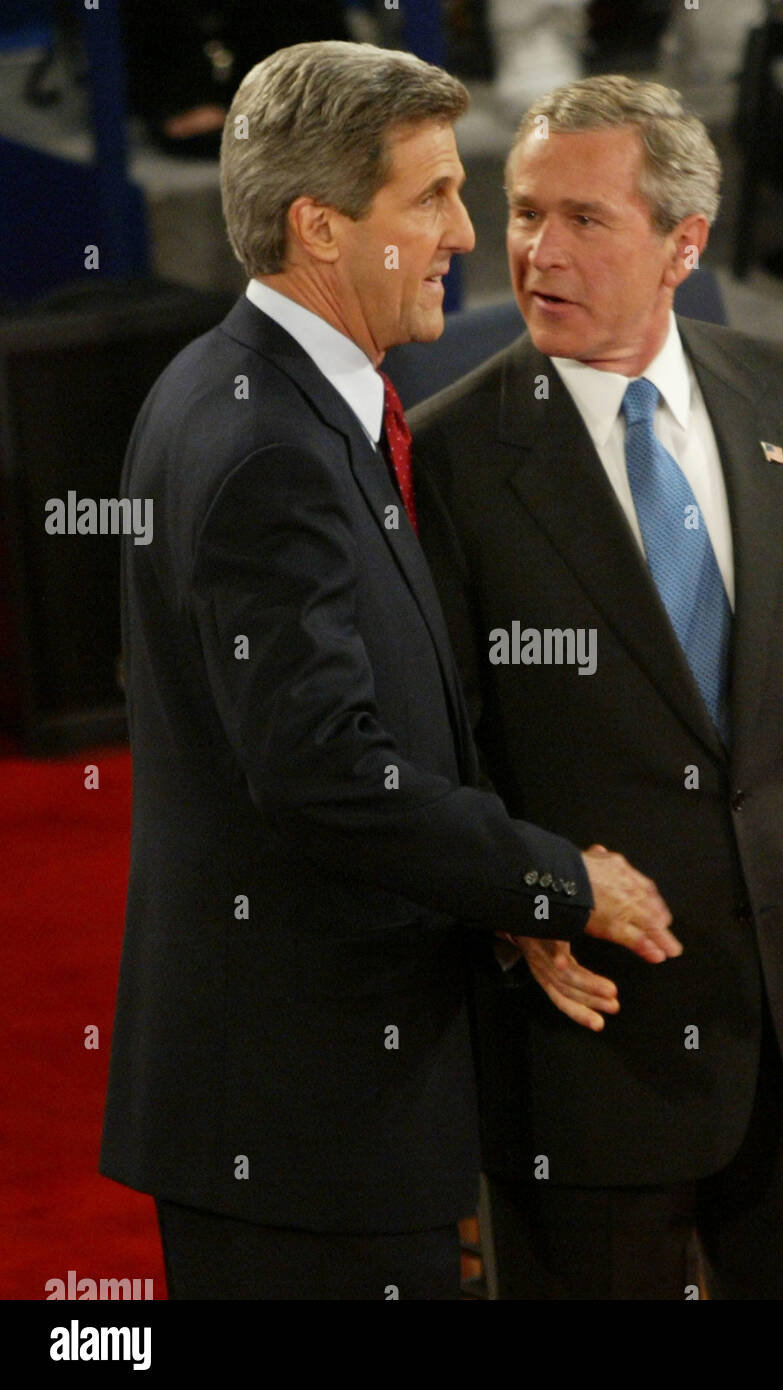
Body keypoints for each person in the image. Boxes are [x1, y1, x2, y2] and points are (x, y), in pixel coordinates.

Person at [98, 44, 678, 1302]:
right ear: (319, 226)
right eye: (430, 199)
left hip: (308, 1103)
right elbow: (322, 768)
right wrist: (551, 875)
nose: (471, 233)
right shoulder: (269, 447)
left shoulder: (250, 394)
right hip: (304, 1122)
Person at [410, 74, 783, 1300]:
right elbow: (438, 745)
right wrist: (520, 906)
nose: (537, 252)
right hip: (588, 1051)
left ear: (686, 243)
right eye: (523, 214)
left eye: (583, 218)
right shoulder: (451, 452)